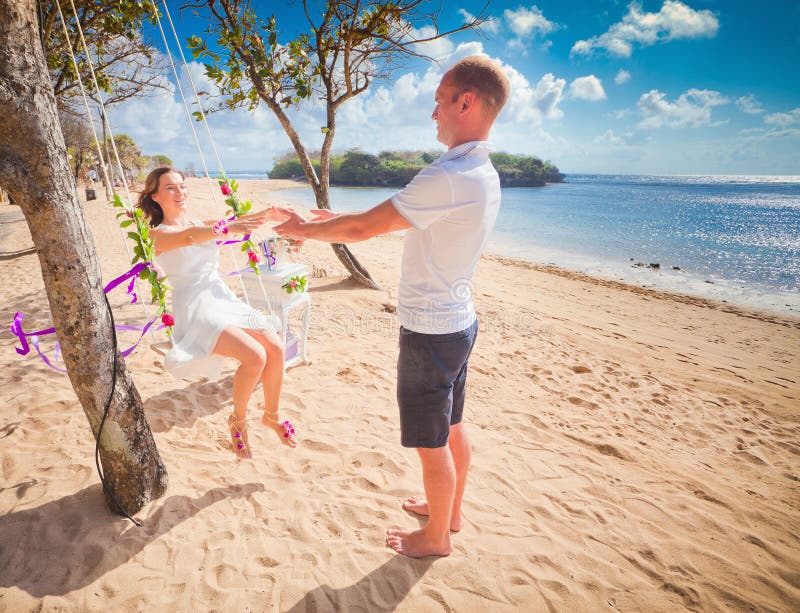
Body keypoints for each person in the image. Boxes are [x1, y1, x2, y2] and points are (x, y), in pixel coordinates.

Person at [274, 55, 510, 557]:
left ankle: (436, 537)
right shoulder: (479, 170)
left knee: (431, 441)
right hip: (458, 322)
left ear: (465, 101)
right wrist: (327, 217)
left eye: (438, 102)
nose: (433, 114)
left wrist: (300, 230)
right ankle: (451, 511)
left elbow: (364, 229)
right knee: (451, 425)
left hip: (431, 332)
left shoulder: (450, 175)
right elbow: (390, 217)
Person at [137, 167, 298, 458]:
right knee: (255, 356)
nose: (180, 192)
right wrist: (223, 228)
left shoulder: (201, 223)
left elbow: (239, 223)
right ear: (155, 196)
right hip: (195, 305)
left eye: (182, 186)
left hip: (220, 296)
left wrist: (269, 212)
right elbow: (189, 238)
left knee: (275, 345)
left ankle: (271, 415)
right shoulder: (157, 235)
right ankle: (238, 420)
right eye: (171, 188)